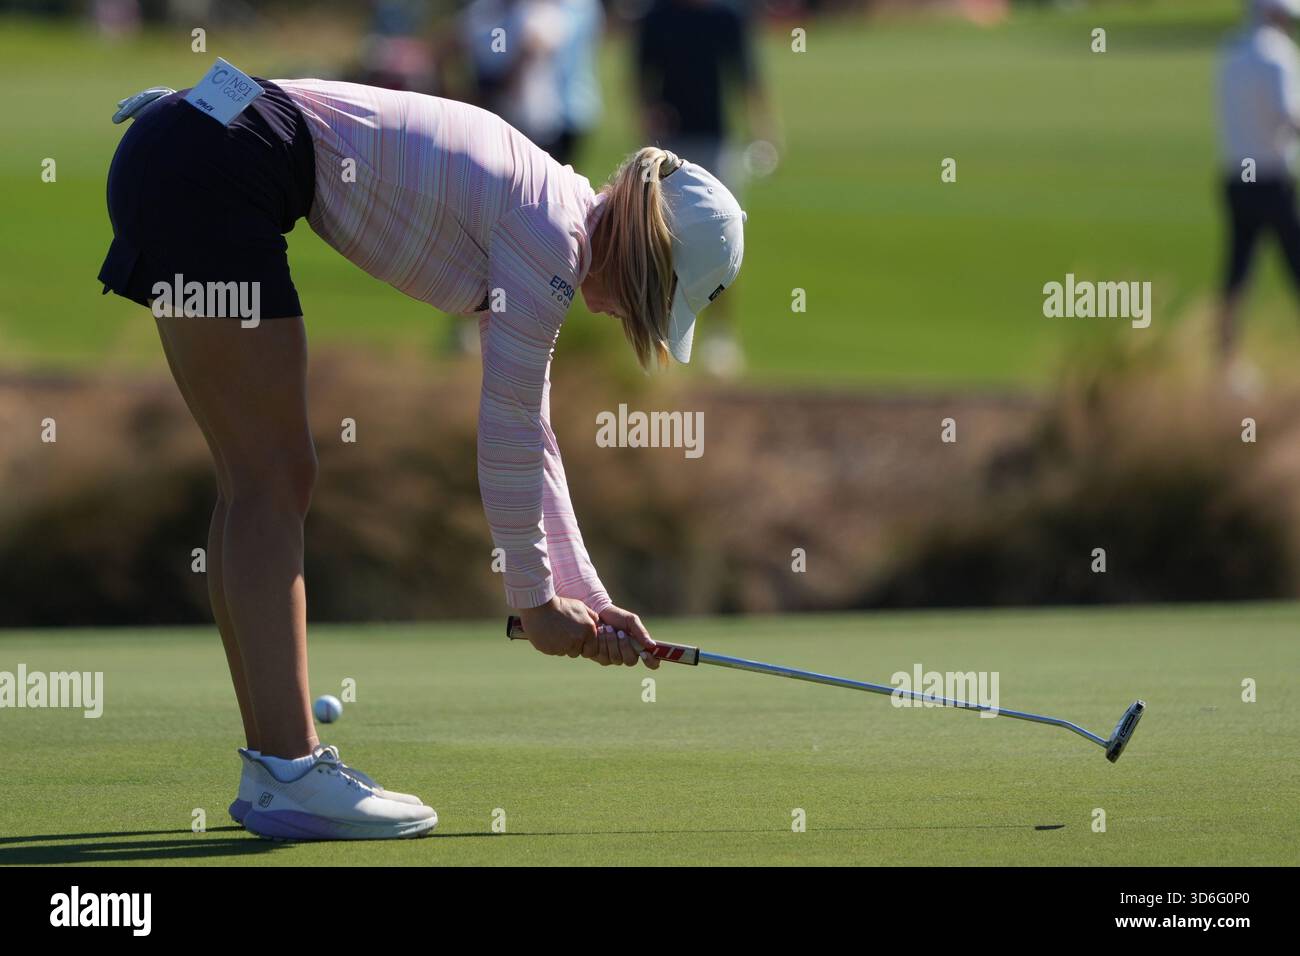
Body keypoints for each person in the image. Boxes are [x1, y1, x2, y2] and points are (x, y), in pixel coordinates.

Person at [98, 74, 746, 841]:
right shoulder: (550, 241)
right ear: (644, 262)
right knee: (275, 478)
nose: (624, 318)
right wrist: (534, 605)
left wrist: (585, 596)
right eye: (652, 302)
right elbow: (504, 427)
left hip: (184, 143)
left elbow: (531, 435)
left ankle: (278, 769)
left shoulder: (549, 208)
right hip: (214, 162)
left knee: (257, 480)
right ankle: (290, 770)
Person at [634, 0, 775, 377]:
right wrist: (646, 116)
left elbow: (747, 74)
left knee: (724, 240)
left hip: (716, 142)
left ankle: (720, 336)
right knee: (663, 242)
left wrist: (763, 128)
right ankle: (660, 334)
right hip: (666, 148)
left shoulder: (727, 16)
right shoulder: (656, 17)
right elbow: (640, 78)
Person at [1216, 0, 1300, 389]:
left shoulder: (1232, 52)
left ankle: (1225, 362)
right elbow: (1290, 115)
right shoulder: (1278, 56)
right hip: (1271, 179)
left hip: (1236, 179)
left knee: (1237, 274)